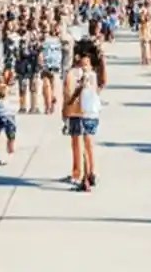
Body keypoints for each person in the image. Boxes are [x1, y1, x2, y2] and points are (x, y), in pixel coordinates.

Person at [62, 47, 102, 192]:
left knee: (78, 145)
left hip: (76, 112)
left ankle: (79, 173)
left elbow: (68, 93)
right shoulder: (92, 74)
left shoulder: (72, 74)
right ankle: (91, 171)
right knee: (88, 145)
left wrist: (66, 110)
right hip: (89, 112)